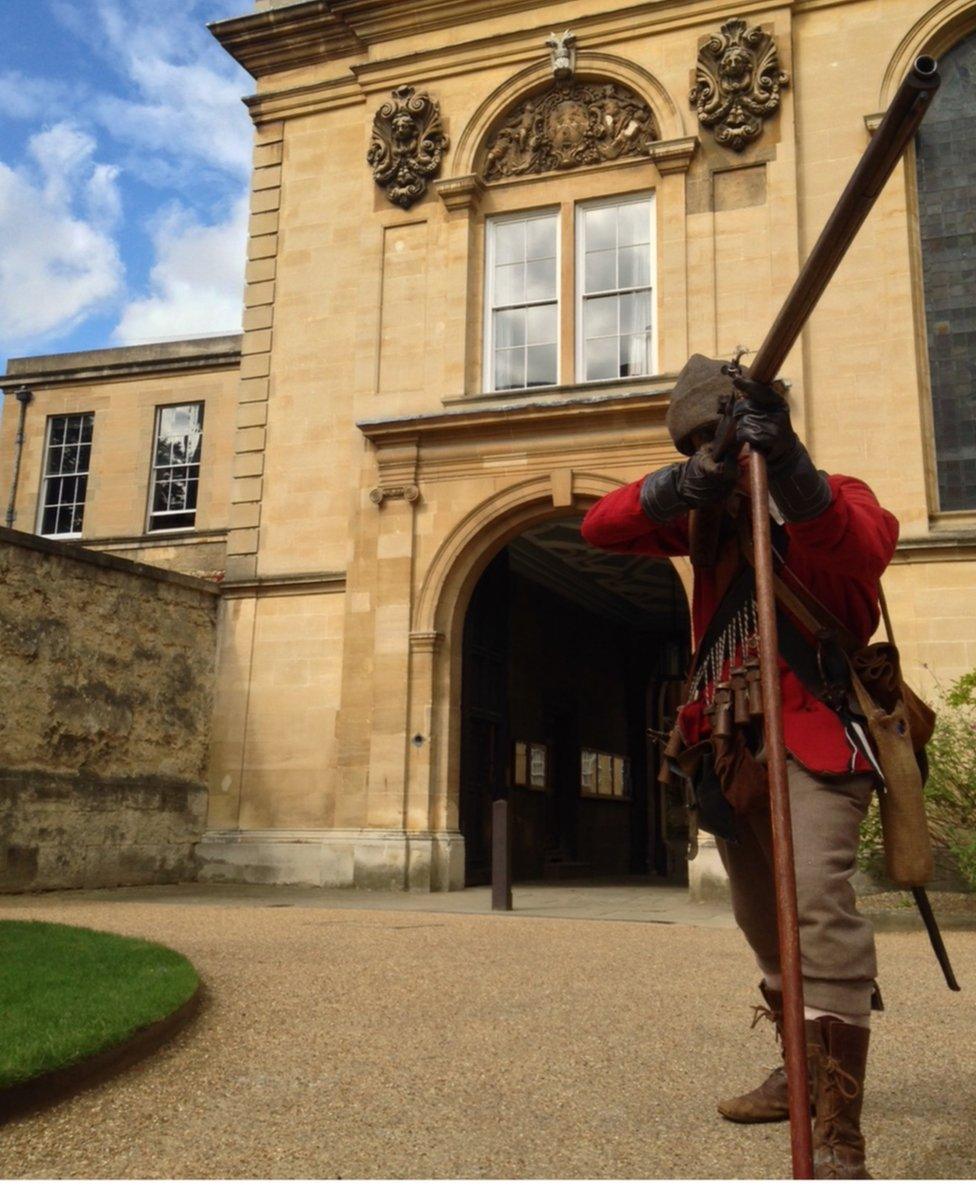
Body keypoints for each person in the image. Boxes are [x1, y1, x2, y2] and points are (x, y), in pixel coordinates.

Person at [580, 354, 899, 1180]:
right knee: (763, 924)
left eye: (718, 437)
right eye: (698, 442)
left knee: (817, 906)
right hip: (725, 745)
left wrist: (788, 466)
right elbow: (600, 527)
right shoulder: (703, 522)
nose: (714, 452)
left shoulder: (838, 497)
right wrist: (682, 484)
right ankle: (800, 1072)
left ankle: (839, 1132)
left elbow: (858, 548)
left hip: (815, 732)